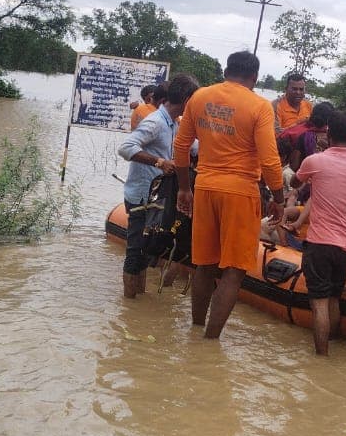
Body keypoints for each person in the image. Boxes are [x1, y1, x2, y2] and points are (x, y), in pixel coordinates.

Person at [173, 51, 285, 339]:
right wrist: (279, 197)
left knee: (204, 264)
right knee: (234, 270)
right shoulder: (260, 106)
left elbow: (181, 146)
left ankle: (196, 329)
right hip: (240, 191)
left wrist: (184, 187)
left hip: (205, 187)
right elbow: (270, 159)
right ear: (255, 77)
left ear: (226, 70)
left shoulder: (199, 97)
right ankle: (210, 341)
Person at [293, 111, 346, 355]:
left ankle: (321, 356)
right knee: (335, 298)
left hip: (319, 243)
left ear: (327, 133)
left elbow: (296, 182)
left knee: (319, 304)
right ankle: (333, 347)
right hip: (345, 245)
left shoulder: (315, 161)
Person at [117, 75, 199, 298]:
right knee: (135, 251)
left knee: (146, 250)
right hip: (141, 195)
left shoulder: (175, 123)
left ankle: (138, 301)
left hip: (157, 199)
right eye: (194, 100)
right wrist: (159, 162)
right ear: (185, 99)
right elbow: (125, 148)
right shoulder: (155, 122)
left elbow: (195, 148)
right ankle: (130, 308)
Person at [278, 101, 334, 171]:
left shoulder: (299, 133)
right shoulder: (334, 138)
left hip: (301, 174)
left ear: (312, 115)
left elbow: (293, 166)